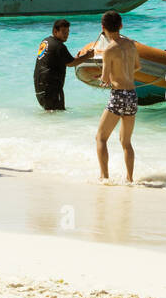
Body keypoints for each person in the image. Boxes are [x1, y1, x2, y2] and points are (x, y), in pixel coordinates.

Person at [90, 10, 140, 182]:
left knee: (101, 137)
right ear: (121, 25)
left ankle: (104, 177)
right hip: (132, 95)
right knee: (126, 142)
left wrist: (105, 79)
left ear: (103, 28)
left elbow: (105, 78)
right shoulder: (132, 44)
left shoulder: (109, 50)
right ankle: (130, 179)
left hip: (118, 95)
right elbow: (137, 67)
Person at [34, 18, 93, 110]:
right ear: (55, 31)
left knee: (50, 113)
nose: (67, 35)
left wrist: (77, 58)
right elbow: (71, 63)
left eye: (68, 32)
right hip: (51, 88)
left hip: (40, 86)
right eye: (64, 32)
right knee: (57, 113)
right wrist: (87, 55)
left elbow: (58, 60)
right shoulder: (59, 46)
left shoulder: (46, 41)